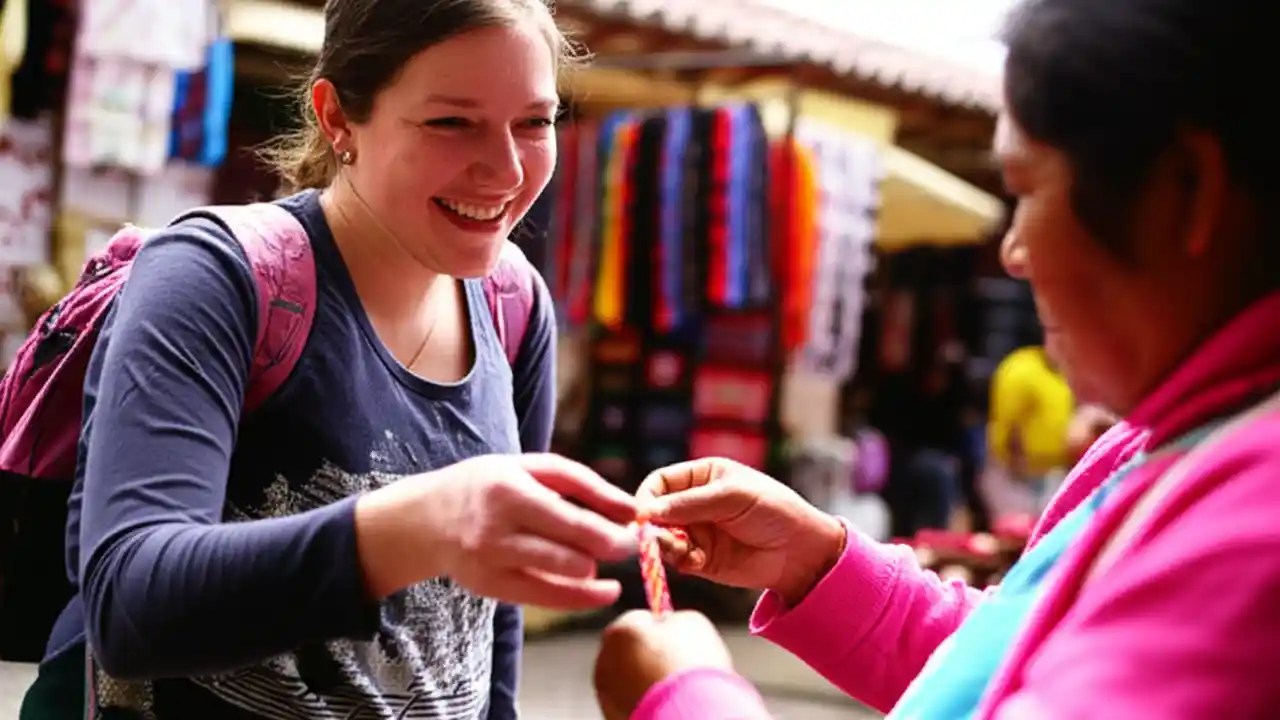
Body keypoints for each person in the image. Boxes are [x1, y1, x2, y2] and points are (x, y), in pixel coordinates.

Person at [593, 0, 1280, 717]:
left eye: (1023, 190)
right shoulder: (1174, 444)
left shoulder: (1254, 528)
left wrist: (680, 699)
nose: (1013, 253)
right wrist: (819, 565)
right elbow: (1018, 662)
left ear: (1186, 193)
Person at [19, 1, 640, 718]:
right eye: (451, 122)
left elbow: (488, 628)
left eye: (535, 121)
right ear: (339, 119)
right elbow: (131, 606)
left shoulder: (514, 305)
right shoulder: (213, 278)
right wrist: (424, 525)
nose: (505, 169)